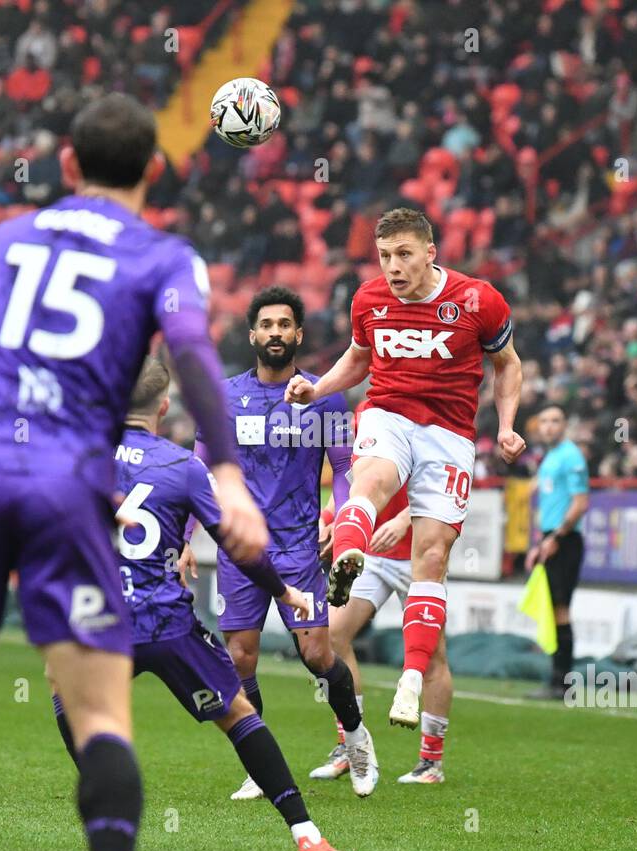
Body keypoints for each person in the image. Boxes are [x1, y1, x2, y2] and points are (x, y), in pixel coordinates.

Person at [0, 93, 268, 851]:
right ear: (153, 169)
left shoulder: (3, 239)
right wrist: (230, 474)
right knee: (103, 716)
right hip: (64, 481)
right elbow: (195, 355)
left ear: (67, 165)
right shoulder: (163, 255)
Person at [60, 358, 345, 851]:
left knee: (66, 693)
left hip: (100, 622)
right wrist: (283, 591)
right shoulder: (183, 466)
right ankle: (305, 832)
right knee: (238, 716)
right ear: (164, 408)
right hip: (166, 623)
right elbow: (239, 546)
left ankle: (105, 803)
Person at [285, 207, 524, 729]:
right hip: (387, 413)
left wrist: (506, 425)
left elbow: (508, 364)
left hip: (450, 433)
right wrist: (317, 387)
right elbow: (359, 358)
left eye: (404, 255)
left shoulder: (478, 300)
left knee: (431, 557)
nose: (393, 267)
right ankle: (349, 559)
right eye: (385, 256)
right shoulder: (368, 299)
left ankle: (411, 683)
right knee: (368, 481)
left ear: (430, 253)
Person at [191, 285, 376, 799]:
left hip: (298, 545)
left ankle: (356, 738)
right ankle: (258, 767)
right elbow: (199, 470)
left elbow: (343, 467)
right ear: (253, 334)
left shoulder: (325, 395)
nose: (275, 333)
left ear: (298, 334)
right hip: (241, 546)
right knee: (241, 658)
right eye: (266, 325)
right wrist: (185, 538)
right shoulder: (225, 396)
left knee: (318, 655)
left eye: (284, 325)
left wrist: (342, 519)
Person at [313, 478, 455, 784]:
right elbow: (348, 477)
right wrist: (328, 518)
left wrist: (404, 519)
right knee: (333, 636)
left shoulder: (433, 427)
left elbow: (439, 477)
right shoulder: (352, 427)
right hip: (373, 550)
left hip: (421, 551)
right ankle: (350, 745)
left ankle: (430, 762)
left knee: (432, 656)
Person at [524, 403, 589, 699]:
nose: (549, 426)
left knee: (560, 609)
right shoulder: (549, 457)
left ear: (564, 426)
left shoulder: (571, 456)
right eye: (545, 421)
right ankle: (557, 680)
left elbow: (580, 503)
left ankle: (563, 683)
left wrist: (556, 538)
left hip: (565, 540)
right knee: (552, 608)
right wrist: (539, 542)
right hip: (551, 539)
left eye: (556, 421)